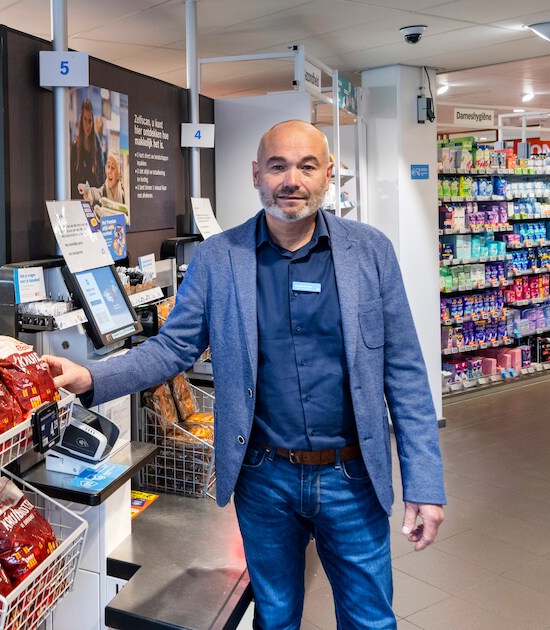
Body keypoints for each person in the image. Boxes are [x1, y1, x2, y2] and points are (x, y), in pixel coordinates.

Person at [46, 120, 445, 629]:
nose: (291, 180)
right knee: (274, 619)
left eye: (306, 167)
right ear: (257, 175)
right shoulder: (220, 258)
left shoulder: (369, 251)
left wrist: (424, 483)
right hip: (264, 478)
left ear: (328, 174)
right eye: (278, 167)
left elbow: (405, 370)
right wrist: (89, 377)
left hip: (352, 476)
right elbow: (173, 347)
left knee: (370, 620)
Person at [79, 150, 128, 219]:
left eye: (113, 168)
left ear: (119, 174)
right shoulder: (102, 193)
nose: (109, 171)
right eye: (108, 167)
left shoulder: (125, 195)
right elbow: (96, 194)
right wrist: (90, 194)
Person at [70, 97, 105, 193]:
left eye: (90, 120)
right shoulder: (75, 146)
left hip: (94, 196)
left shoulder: (97, 144)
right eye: (85, 119)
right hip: (79, 196)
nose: (87, 125)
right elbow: (72, 179)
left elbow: (101, 174)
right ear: (81, 119)